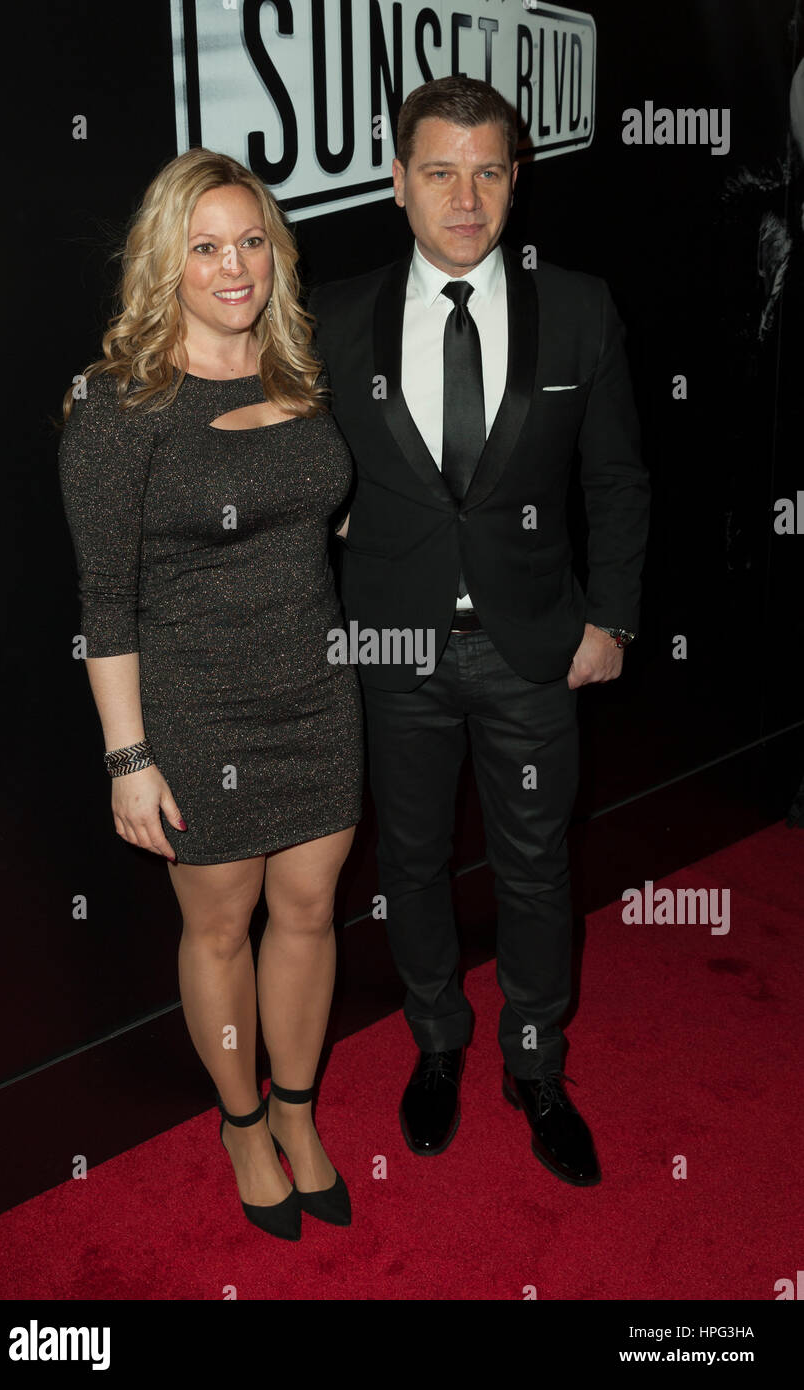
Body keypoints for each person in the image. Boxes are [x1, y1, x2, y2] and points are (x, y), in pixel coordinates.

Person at [309, 76, 650, 1186]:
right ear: (397, 180)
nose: (465, 198)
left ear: (516, 180)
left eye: (488, 170)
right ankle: (437, 1044)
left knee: (536, 868)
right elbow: (290, 470)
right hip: (390, 652)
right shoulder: (333, 316)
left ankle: (535, 1063)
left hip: (533, 647)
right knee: (408, 862)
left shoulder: (582, 307)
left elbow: (616, 479)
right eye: (440, 171)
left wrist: (610, 617)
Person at [58, 148, 363, 1240]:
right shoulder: (120, 404)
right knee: (222, 927)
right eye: (203, 247)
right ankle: (241, 1122)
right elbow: (104, 598)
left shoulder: (298, 369)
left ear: (273, 254)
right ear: (165, 263)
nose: (231, 267)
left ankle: (296, 1109)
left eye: (249, 242)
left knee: (313, 911)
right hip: (195, 712)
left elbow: (320, 514)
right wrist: (128, 758)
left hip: (317, 696)